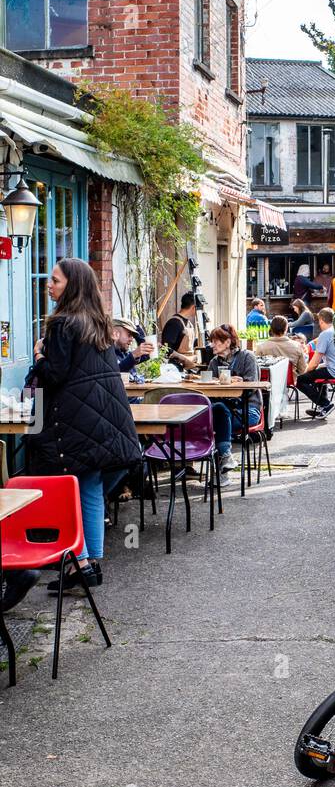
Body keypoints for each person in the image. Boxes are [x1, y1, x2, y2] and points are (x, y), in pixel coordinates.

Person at [1, 257, 142, 609]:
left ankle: (77, 560)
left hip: (75, 423)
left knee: (67, 491)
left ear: (72, 286)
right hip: (102, 421)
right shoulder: (97, 322)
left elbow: (56, 374)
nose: (49, 285)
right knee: (90, 488)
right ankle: (90, 563)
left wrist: (39, 356)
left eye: (56, 281)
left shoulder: (62, 324)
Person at [208, 324, 263, 483]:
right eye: (212, 341)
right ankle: (226, 459)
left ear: (228, 342)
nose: (212, 344)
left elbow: (252, 385)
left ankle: (222, 474)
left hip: (247, 408)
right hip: (224, 409)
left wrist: (236, 384)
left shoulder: (247, 357)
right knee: (218, 410)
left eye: (216, 341)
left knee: (218, 422)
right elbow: (210, 388)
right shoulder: (213, 362)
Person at [297, 307, 335, 417]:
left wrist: (305, 371)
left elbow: (314, 363)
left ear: (321, 320)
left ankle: (325, 404)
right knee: (318, 371)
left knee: (300, 380)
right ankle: (323, 407)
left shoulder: (325, 334)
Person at [161, 291, 200, 370]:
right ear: (193, 307)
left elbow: (189, 343)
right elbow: (166, 349)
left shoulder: (189, 323)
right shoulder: (174, 323)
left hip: (189, 367)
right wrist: (184, 359)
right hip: (175, 369)